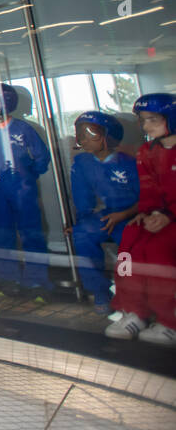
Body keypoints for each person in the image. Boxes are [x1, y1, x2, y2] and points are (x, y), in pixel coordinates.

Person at [105, 93, 176, 345]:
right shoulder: (146, 151)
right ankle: (133, 311)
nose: (147, 127)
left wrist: (168, 216)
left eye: (153, 120)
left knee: (157, 252)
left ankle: (169, 321)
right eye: (143, 121)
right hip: (159, 216)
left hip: (172, 220)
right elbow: (149, 190)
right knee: (129, 244)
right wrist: (146, 212)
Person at [0, 82, 52, 296]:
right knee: (2, 234)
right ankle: (7, 279)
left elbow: (42, 157)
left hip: (23, 190)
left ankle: (37, 281)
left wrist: (29, 174)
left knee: (31, 233)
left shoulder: (23, 129)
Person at [66, 111, 139, 313]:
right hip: (102, 216)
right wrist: (81, 224)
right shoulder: (82, 163)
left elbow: (146, 198)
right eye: (80, 134)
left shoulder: (129, 163)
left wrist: (123, 215)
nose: (83, 139)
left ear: (107, 136)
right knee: (82, 236)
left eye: (90, 133)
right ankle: (100, 292)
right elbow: (82, 198)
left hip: (129, 216)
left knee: (128, 244)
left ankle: (128, 294)